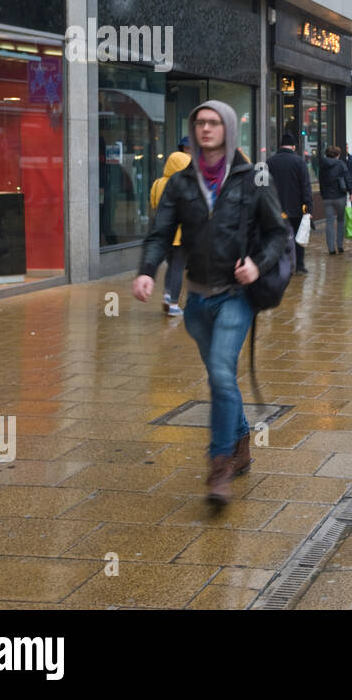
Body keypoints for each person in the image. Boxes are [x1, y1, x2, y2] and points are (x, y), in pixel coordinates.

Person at [133, 101, 287, 504]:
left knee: (220, 373)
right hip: (197, 300)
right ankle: (240, 441)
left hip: (236, 296)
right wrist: (148, 270)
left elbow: (278, 233)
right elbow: (160, 234)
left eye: (214, 122)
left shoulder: (254, 177)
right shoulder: (182, 182)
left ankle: (218, 467)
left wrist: (257, 264)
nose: (205, 129)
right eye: (199, 122)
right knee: (222, 379)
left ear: (229, 129)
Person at [149, 151, 191, 315]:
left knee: (170, 265)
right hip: (180, 235)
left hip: (164, 234)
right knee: (178, 268)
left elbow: (153, 204)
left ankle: (167, 295)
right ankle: (174, 304)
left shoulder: (158, 183)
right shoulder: (184, 185)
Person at [268, 133, 313, 273]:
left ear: (280, 145)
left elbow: (260, 185)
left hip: (274, 208)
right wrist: (308, 208)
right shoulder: (300, 162)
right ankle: (299, 265)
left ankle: (279, 265)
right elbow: (306, 186)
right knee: (299, 237)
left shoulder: (269, 161)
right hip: (297, 207)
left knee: (276, 236)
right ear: (294, 146)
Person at [319, 145, 352, 255]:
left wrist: (323, 193)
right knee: (341, 220)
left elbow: (321, 180)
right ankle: (340, 245)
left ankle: (331, 248)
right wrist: (351, 191)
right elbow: (347, 178)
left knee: (329, 222)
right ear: (337, 155)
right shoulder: (341, 164)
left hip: (327, 197)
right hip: (340, 196)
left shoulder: (322, 165)